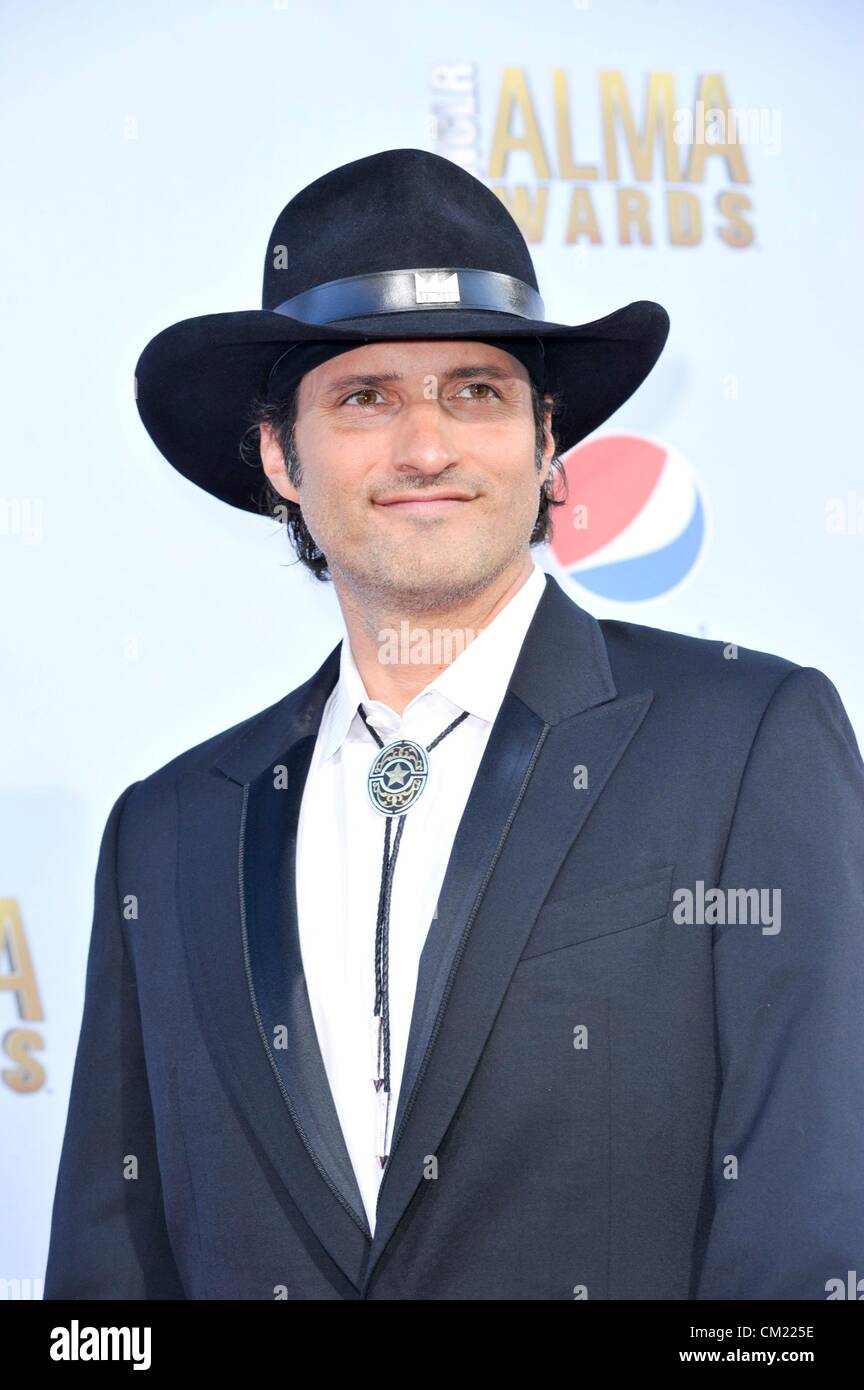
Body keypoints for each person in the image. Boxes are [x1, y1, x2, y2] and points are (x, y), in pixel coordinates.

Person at [44, 148, 864, 1301]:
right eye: (365, 397)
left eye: (475, 390)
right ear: (281, 453)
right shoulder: (166, 830)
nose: (426, 446)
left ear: (545, 444)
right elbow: (109, 1282)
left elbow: (811, 1241)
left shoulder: (747, 744)